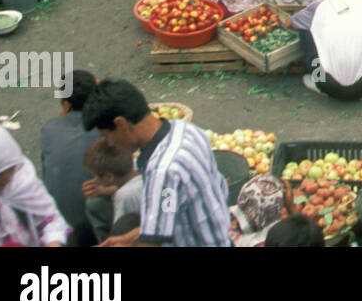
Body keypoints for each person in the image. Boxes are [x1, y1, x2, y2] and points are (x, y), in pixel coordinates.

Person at [81, 79, 231, 247]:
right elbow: (170, 210)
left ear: (121, 124)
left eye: (107, 137)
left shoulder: (163, 171)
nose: (111, 144)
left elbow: (152, 242)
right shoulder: (185, 129)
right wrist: (129, 238)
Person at [0, 124, 70, 247]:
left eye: (12, 169)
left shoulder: (21, 182)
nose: (8, 180)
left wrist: (54, 242)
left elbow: (51, 219)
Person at [39, 70, 99, 247]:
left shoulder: (49, 130)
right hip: (99, 221)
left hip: (61, 225)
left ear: (65, 104)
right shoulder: (106, 128)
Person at [82, 138, 143, 244]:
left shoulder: (123, 196)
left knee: (93, 204)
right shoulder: (144, 169)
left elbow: (120, 230)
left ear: (109, 177)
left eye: (96, 176)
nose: (95, 180)